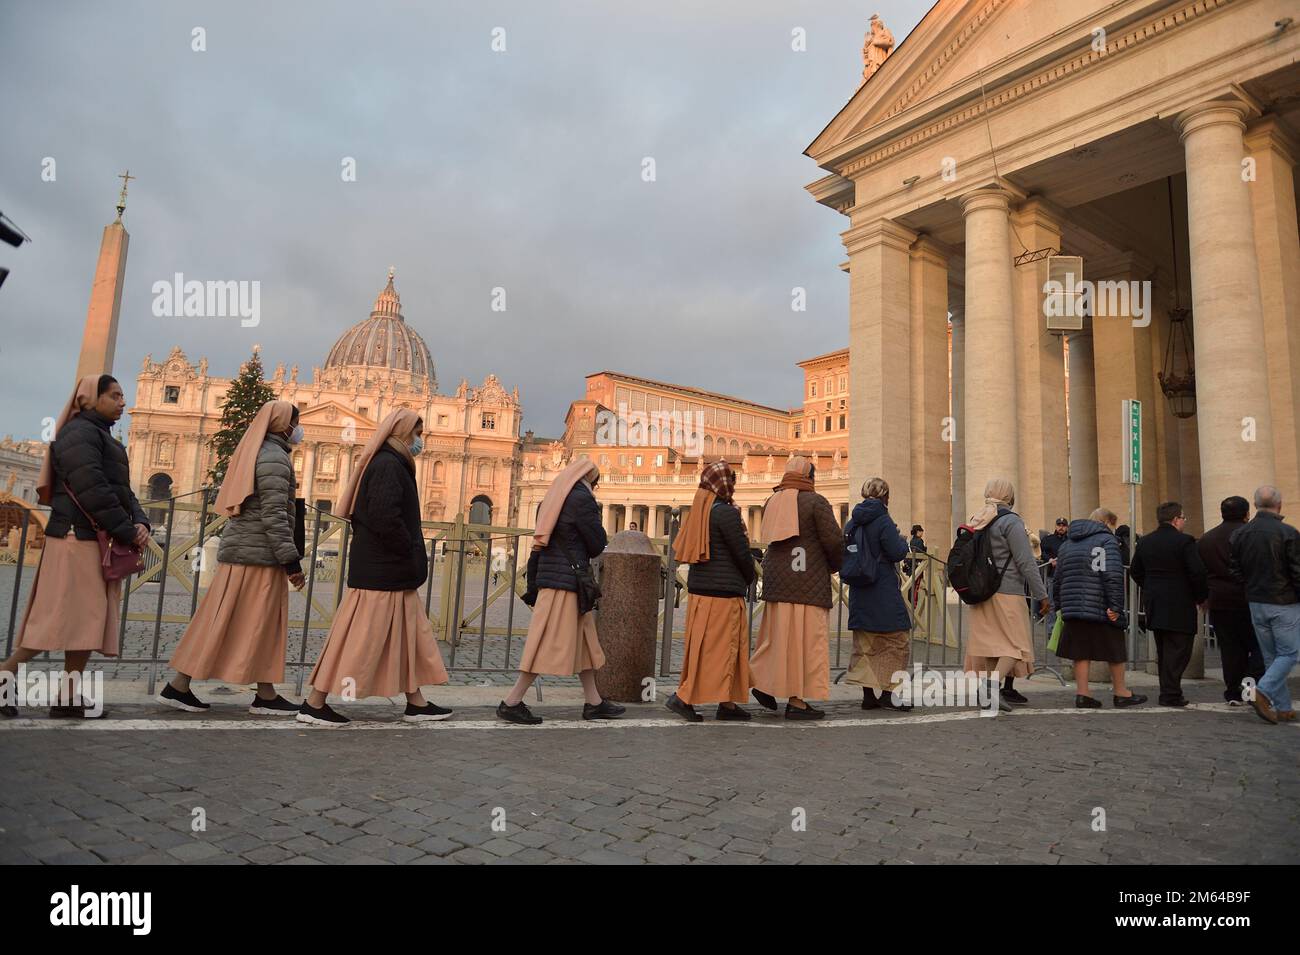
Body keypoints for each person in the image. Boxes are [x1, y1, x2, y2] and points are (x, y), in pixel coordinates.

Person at [1, 375, 149, 719]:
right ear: (88, 399)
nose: (122, 402)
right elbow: (92, 489)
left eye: (123, 396)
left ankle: (68, 695)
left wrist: (141, 522)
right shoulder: (78, 435)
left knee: (86, 621)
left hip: (89, 538)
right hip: (73, 539)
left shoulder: (100, 436)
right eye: (115, 396)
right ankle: (5, 673)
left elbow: (123, 491)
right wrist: (127, 531)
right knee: (53, 617)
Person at [298, 410, 452, 726]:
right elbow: (384, 516)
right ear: (404, 432)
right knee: (357, 639)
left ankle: (416, 702)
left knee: (409, 637)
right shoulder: (387, 465)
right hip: (382, 570)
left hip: (389, 571)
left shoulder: (390, 462)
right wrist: (407, 549)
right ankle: (315, 701)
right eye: (418, 434)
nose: (421, 441)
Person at [161, 400, 304, 715]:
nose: (299, 429)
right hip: (259, 556)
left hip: (244, 552)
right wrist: (291, 561)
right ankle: (187, 686)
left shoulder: (260, 450)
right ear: (284, 424)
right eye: (297, 421)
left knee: (228, 621)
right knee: (259, 623)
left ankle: (183, 685)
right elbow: (275, 515)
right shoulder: (275, 459)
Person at [497, 457, 624, 725]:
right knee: (543, 643)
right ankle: (512, 701)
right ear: (591, 480)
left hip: (553, 576)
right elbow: (596, 543)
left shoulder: (552, 497)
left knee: (587, 643)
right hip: (566, 581)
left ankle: (594, 702)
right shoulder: (582, 499)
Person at [748, 456, 842, 720]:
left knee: (775, 640)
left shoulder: (771, 501)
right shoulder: (816, 502)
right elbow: (833, 541)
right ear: (809, 476)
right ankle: (797, 701)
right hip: (806, 586)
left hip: (778, 584)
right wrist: (836, 565)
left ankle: (763, 682)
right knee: (805, 644)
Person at [664, 461, 755, 722]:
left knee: (706, 649)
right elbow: (741, 551)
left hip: (701, 591)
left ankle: (726, 703)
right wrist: (749, 575)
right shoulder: (725, 512)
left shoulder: (700, 510)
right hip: (723, 592)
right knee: (721, 650)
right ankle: (683, 697)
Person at [962, 478, 1049, 712]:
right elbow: (1025, 561)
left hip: (980, 590)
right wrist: (1042, 594)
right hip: (1008, 589)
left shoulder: (977, 519)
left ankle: (986, 691)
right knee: (1017, 644)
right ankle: (991, 688)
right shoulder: (1011, 522)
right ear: (1010, 497)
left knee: (989, 647)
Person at [1053, 508, 1147, 708]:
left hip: (1072, 605)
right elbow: (1111, 575)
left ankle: (1083, 693)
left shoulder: (1067, 544)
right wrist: (1115, 606)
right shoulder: (1106, 541)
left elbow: (1058, 579)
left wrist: (1060, 605)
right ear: (1107, 522)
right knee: (1115, 649)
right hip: (1100, 604)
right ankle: (1121, 692)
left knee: (1080, 651)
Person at [1229, 485, 1300, 724]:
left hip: (1256, 601)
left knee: (1271, 656)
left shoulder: (1240, 534)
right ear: (1279, 505)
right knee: (1290, 653)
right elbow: (1297, 571)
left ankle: (1283, 707)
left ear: (1256, 504)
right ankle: (1263, 691)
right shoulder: (1288, 532)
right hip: (1284, 601)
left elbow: (1235, 570)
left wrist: (1250, 586)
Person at [843, 478, 914, 712]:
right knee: (896, 639)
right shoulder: (883, 520)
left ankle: (868, 696)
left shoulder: (851, 522)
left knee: (865, 641)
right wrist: (902, 542)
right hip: (882, 587)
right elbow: (895, 551)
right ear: (886, 497)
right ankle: (887, 693)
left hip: (859, 588)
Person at [1129, 501, 1208, 707]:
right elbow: (1197, 572)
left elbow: (1135, 570)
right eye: (1183, 518)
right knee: (1180, 649)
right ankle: (1170, 693)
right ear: (1175, 519)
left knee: (1164, 649)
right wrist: (1201, 597)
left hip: (1155, 601)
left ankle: (1169, 690)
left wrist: (1150, 585)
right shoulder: (1184, 542)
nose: (1184, 522)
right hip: (1179, 602)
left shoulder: (1146, 542)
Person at [1197, 496, 1264, 706]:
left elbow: (1201, 572)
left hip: (1220, 600)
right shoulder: (1250, 536)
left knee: (1229, 648)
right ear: (1247, 514)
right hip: (1248, 598)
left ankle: (1233, 692)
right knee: (1257, 646)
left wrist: (1203, 597)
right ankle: (1249, 687)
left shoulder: (1207, 539)